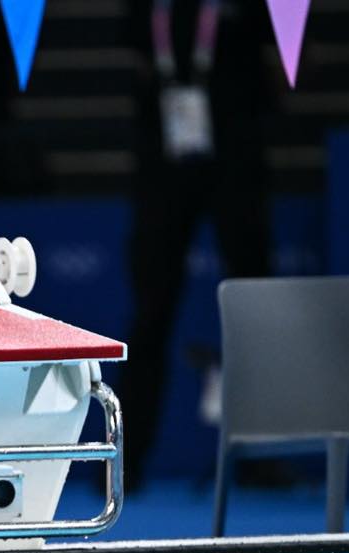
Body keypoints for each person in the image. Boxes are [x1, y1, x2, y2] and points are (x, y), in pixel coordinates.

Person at [118, 0, 274, 491]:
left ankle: (263, 455)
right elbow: (135, 59)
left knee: (255, 311)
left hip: (235, 159)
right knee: (150, 315)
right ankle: (128, 460)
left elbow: (284, 62)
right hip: (164, 163)